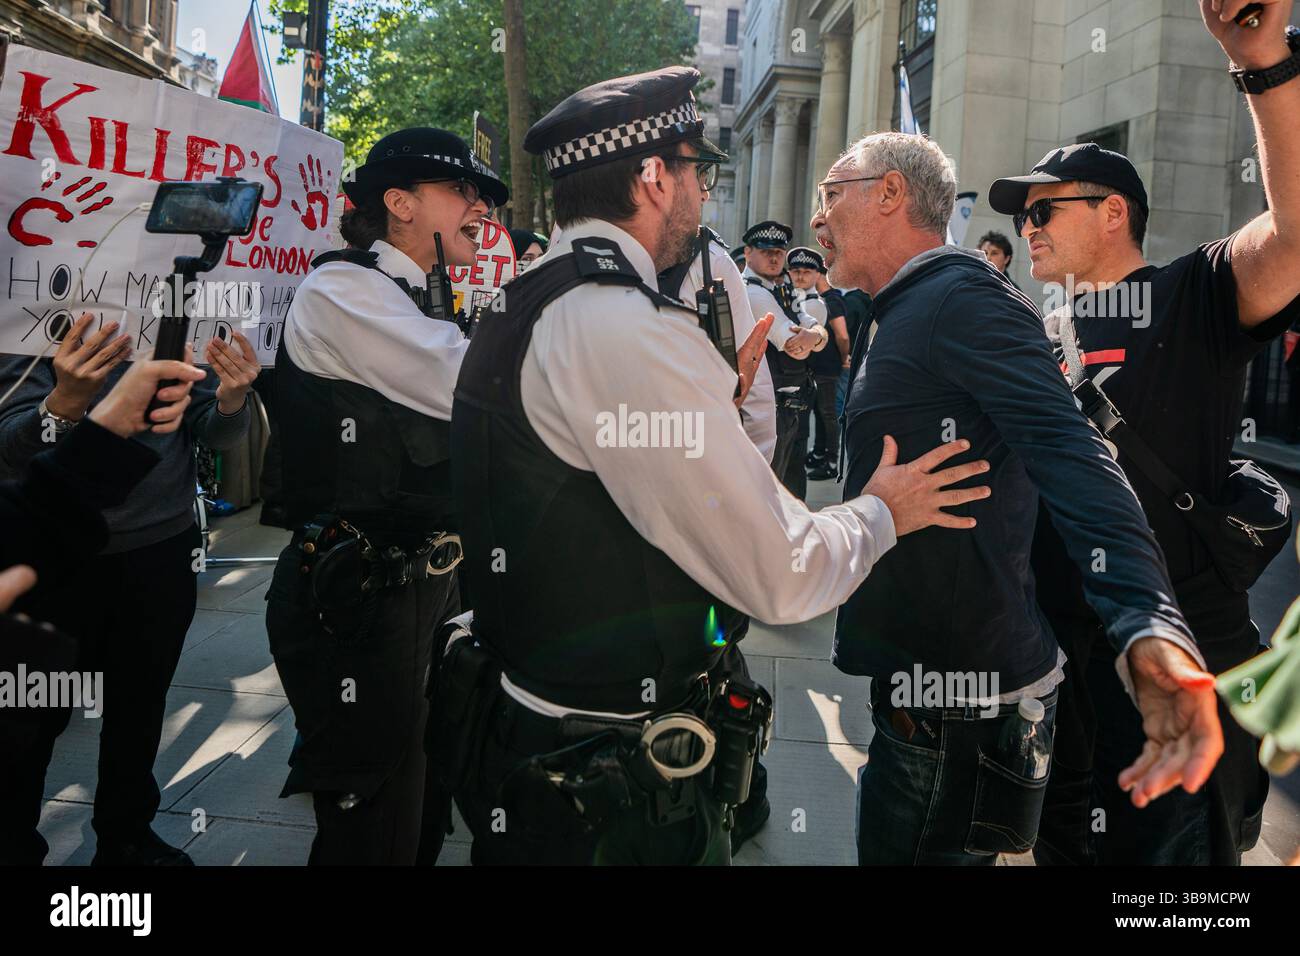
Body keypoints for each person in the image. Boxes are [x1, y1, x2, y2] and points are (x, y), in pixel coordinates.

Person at [442, 65, 992, 866]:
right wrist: (881, 511)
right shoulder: (623, 326)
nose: (702, 196)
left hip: (538, 732)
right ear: (655, 177)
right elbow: (781, 573)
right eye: (697, 171)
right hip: (611, 777)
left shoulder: (530, 297)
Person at [813, 130, 1225, 866]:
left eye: (830, 194)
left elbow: (1072, 454)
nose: (818, 218)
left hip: (950, 721)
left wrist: (1148, 624)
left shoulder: (961, 296)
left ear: (889, 193)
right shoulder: (899, 305)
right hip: (924, 704)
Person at [994, 1, 1300, 866]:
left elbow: (1296, 234)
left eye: (1050, 210)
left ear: (1115, 214)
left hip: (1175, 655)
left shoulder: (1191, 292)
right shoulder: (1035, 329)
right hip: (1061, 665)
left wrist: (1263, 62)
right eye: (1025, 216)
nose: (1031, 227)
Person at [264, 126, 507, 865]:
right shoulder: (344, 289)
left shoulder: (417, 293)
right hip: (365, 597)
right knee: (376, 820)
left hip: (426, 588)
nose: (480, 210)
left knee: (423, 799)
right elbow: (473, 386)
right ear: (398, 203)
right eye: (463, 191)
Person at [0, 311, 255, 867]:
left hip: (161, 545)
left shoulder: (178, 310)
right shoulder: (27, 307)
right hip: (52, 556)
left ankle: (126, 836)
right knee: (31, 717)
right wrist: (66, 401)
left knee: (140, 706)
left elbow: (214, 432)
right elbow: (11, 448)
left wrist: (233, 397)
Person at [741, 222, 828, 497]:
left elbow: (816, 328)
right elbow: (793, 345)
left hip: (786, 407)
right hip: (765, 409)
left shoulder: (781, 289)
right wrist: (814, 338)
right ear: (748, 253)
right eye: (766, 252)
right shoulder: (753, 292)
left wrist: (814, 336)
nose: (775, 258)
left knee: (786, 490)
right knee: (766, 493)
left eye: (779, 251)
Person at [787, 247, 850, 481]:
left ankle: (832, 460)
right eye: (796, 271)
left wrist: (844, 358)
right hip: (813, 366)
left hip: (825, 366)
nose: (801, 276)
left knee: (827, 413)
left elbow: (842, 335)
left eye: (807, 271)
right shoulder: (798, 298)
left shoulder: (828, 301)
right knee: (818, 412)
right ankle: (820, 453)